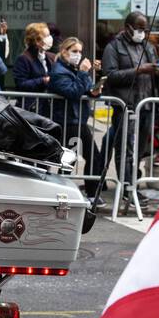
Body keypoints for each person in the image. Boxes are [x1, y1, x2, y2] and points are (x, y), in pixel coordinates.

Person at [101, 11, 159, 211]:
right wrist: (139, 70)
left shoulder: (148, 47)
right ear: (128, 27)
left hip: (146, 105)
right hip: (126, 105)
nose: (142, 32)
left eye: (144, 29)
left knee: (139, 150)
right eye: (139, 28)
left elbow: (155, 76)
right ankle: (127, 187)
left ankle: (133, 184)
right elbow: (110, 75)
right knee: (125, 149)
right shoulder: (113, 47)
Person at [48, 37, 105, 203]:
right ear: (64, 52)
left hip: (79, 119)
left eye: (80, 51)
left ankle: (92, 192)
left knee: (93, 155)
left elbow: (85, 88)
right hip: (67, 120)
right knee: (68, 159)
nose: (78, 55)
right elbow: (72, 92)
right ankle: (62, 192)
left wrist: (95, 91)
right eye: (74, 51)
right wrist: (82, 72)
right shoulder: (58, 71)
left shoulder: (75, 69)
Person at [13, 22, 56, 97]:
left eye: (49, 35)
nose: (50, 38)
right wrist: (43, 80)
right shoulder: (23, 59)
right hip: (32, 105)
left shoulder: (52, 57)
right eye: (46, 36)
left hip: (49, 104)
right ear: (36, 40)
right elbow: (21, 84)